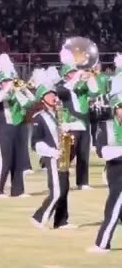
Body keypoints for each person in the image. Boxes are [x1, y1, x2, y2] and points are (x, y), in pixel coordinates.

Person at [31, 67, 73, 230]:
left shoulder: (60, 114)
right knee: (57, 191)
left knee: (65, 188)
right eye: (49, 94)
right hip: (52, 156)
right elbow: (35, 143)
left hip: (63, 154)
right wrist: (52, 152)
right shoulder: (39, 118)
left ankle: (61, 221)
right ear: (42, 98)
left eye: (54, 94)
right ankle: (39, 217)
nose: (53, 97)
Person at [0, 54, 36, 197]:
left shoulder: (18, 94)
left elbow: (32, 101)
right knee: (5, 160)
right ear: (1, 82)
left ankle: (18, 190)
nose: (9, 83)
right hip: (3, 129)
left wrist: (24, 88)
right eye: (6, 81)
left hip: (18, 128)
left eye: (11, 80)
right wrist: (7, 89)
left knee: (18, 159)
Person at [58, 49, 102, 190]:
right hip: (70, 124)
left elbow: (95, 92)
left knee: (83, 155)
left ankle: (83, 182)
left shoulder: (82, 86)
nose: (74, 74)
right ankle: (60, 180)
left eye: (74, 71)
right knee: (67, 155)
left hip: (84, 123)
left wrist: (91, 76)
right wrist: (77, 76)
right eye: (71, 72)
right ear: (66, 75)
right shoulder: (62, 87)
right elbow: (65, 91)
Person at [90, 71, 122, 253]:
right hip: (114, 170)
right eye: (121, 107)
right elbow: (102, 151)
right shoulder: (106, 126)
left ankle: (102, 243)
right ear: (115, 108)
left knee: (114, 205)